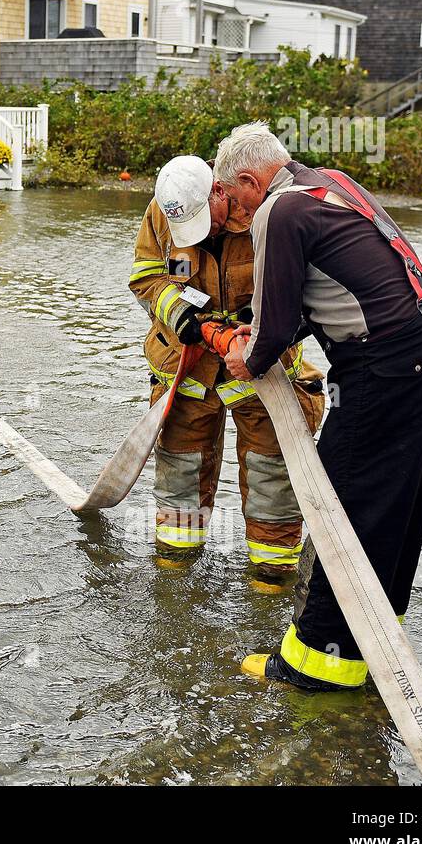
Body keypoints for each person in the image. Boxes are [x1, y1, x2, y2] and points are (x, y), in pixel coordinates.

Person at [213, 122, 422, 691]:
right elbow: (325, 294)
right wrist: (265, 335)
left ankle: (317, 663)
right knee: (398, 498)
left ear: (251, 180)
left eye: (235, 198)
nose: (238, 214)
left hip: (384, 363)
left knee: (341, 502)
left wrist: (245, 357)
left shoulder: (279, 212)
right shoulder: (331, 183)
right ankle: (378, 632)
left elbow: (274, 328)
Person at [131, 156, 325, 580]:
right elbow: (146, 278)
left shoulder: (268, 211)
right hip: (186, 372)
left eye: (209, 219)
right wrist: (180, 315)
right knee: (179, 473)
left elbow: (310, 290)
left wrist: (254, 331)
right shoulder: (165, 210)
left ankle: (270, 582)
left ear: (220, 191)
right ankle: (175, 575)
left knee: (271, 474)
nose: (205, 234)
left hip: (261, 372)